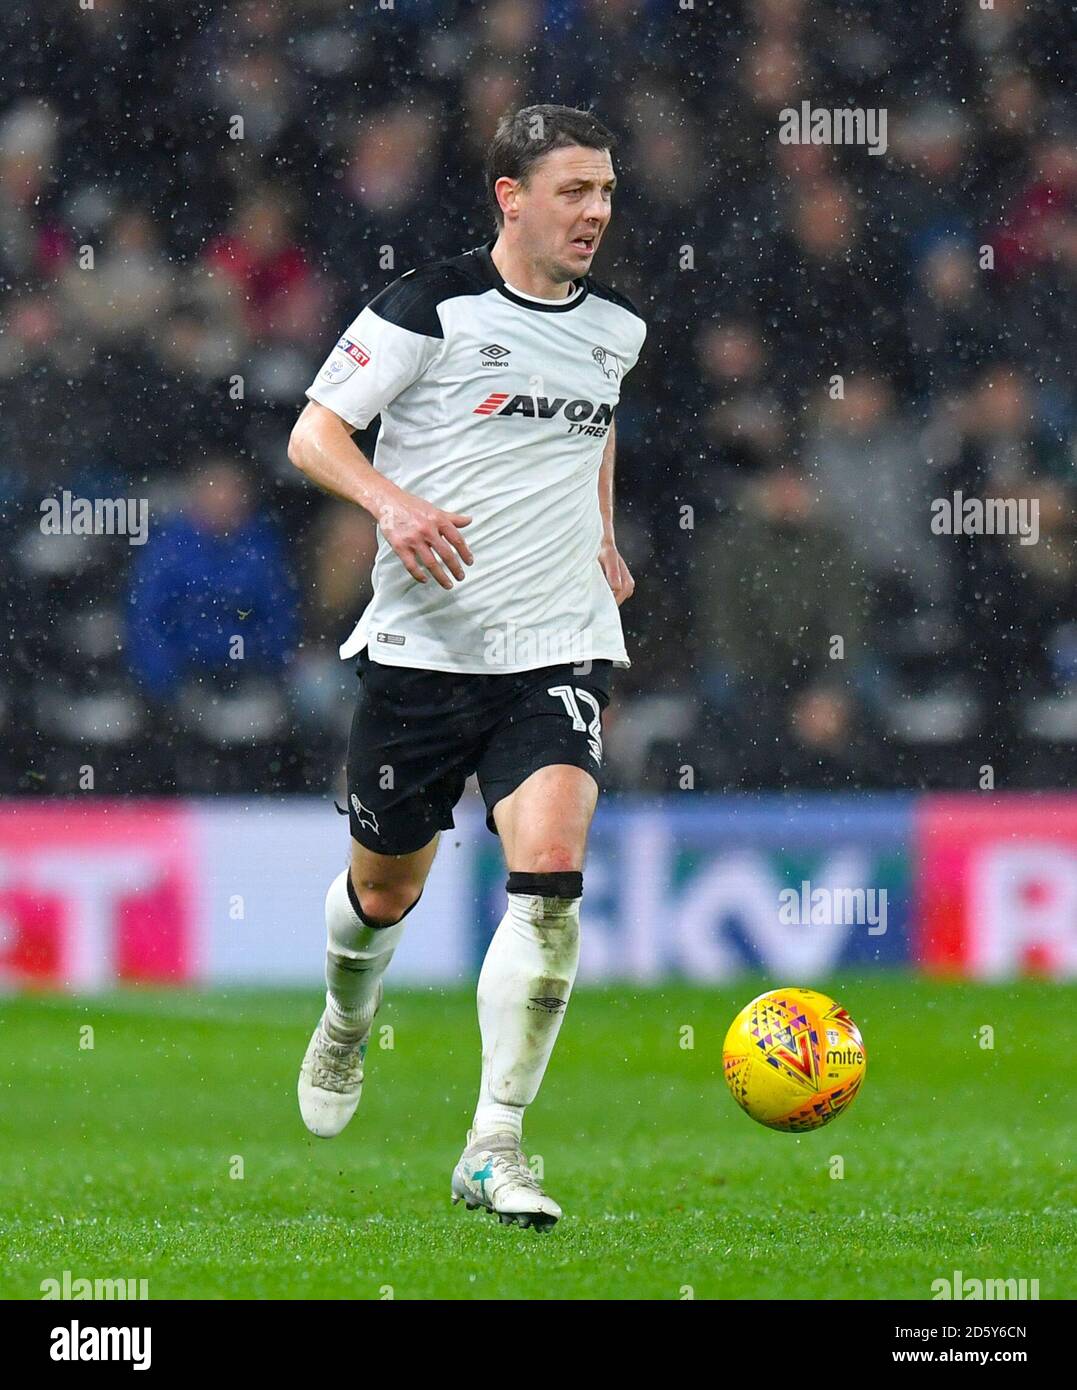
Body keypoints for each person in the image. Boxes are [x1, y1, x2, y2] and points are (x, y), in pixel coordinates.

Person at [286, 105, 646, 1230]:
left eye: (605, 191)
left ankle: (495, 1142)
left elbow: (594, 430)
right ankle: (348, 1017)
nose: (594, 211)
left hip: (558, 643)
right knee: (387, 888)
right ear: (511, 195)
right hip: (424, 654)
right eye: (574, 190)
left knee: (549, 870)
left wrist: (604, 532)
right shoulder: (427, 308)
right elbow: (314, 432)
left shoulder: (618, 328)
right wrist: (390, 505)